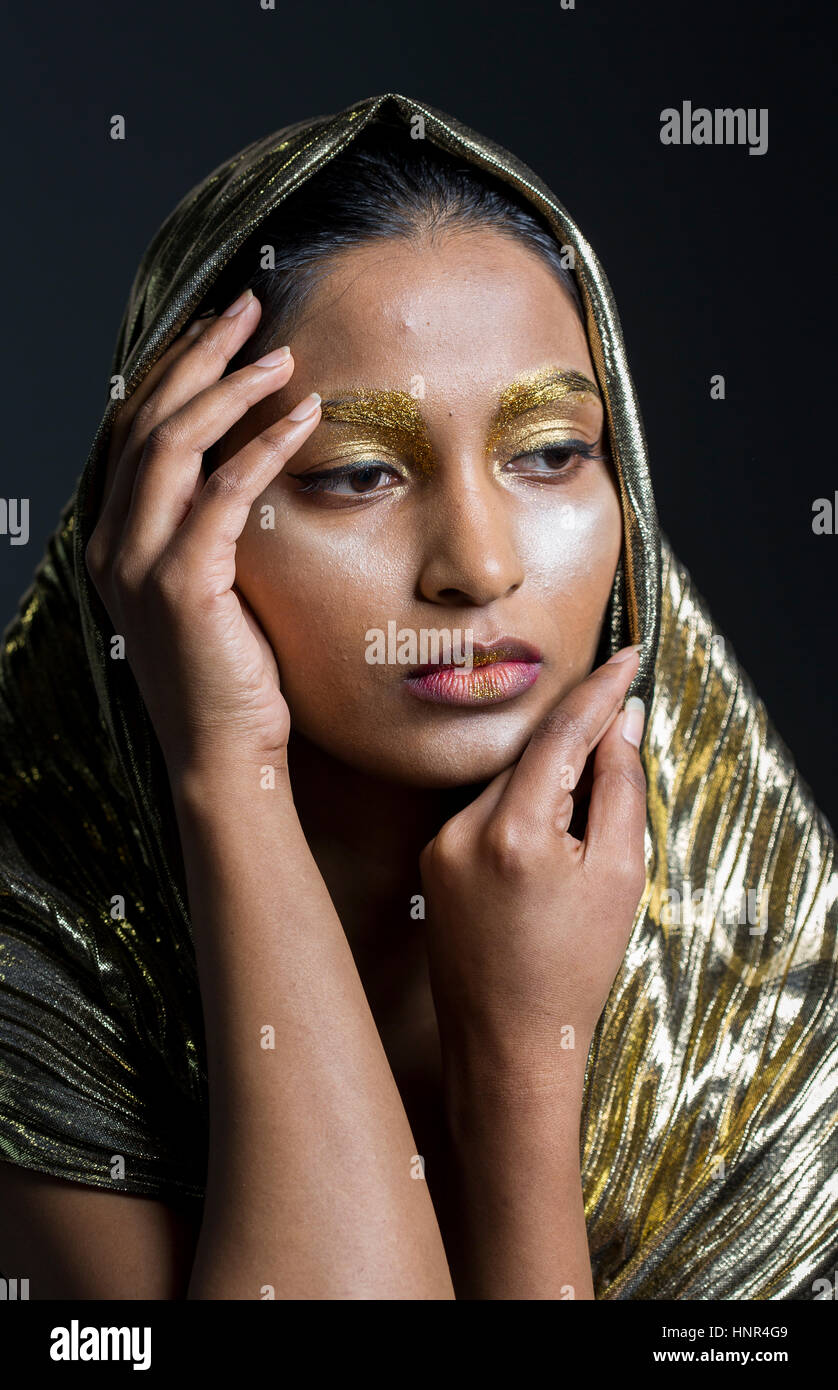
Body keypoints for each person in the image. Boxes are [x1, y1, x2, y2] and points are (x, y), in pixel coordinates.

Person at [0, 92, 835, 1301]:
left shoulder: (761, 985)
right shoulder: (43, 973)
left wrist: (519, 1079)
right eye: (357, 473)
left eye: (550, 452)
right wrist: (227, 772)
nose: (480, 566)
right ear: (170, 518)